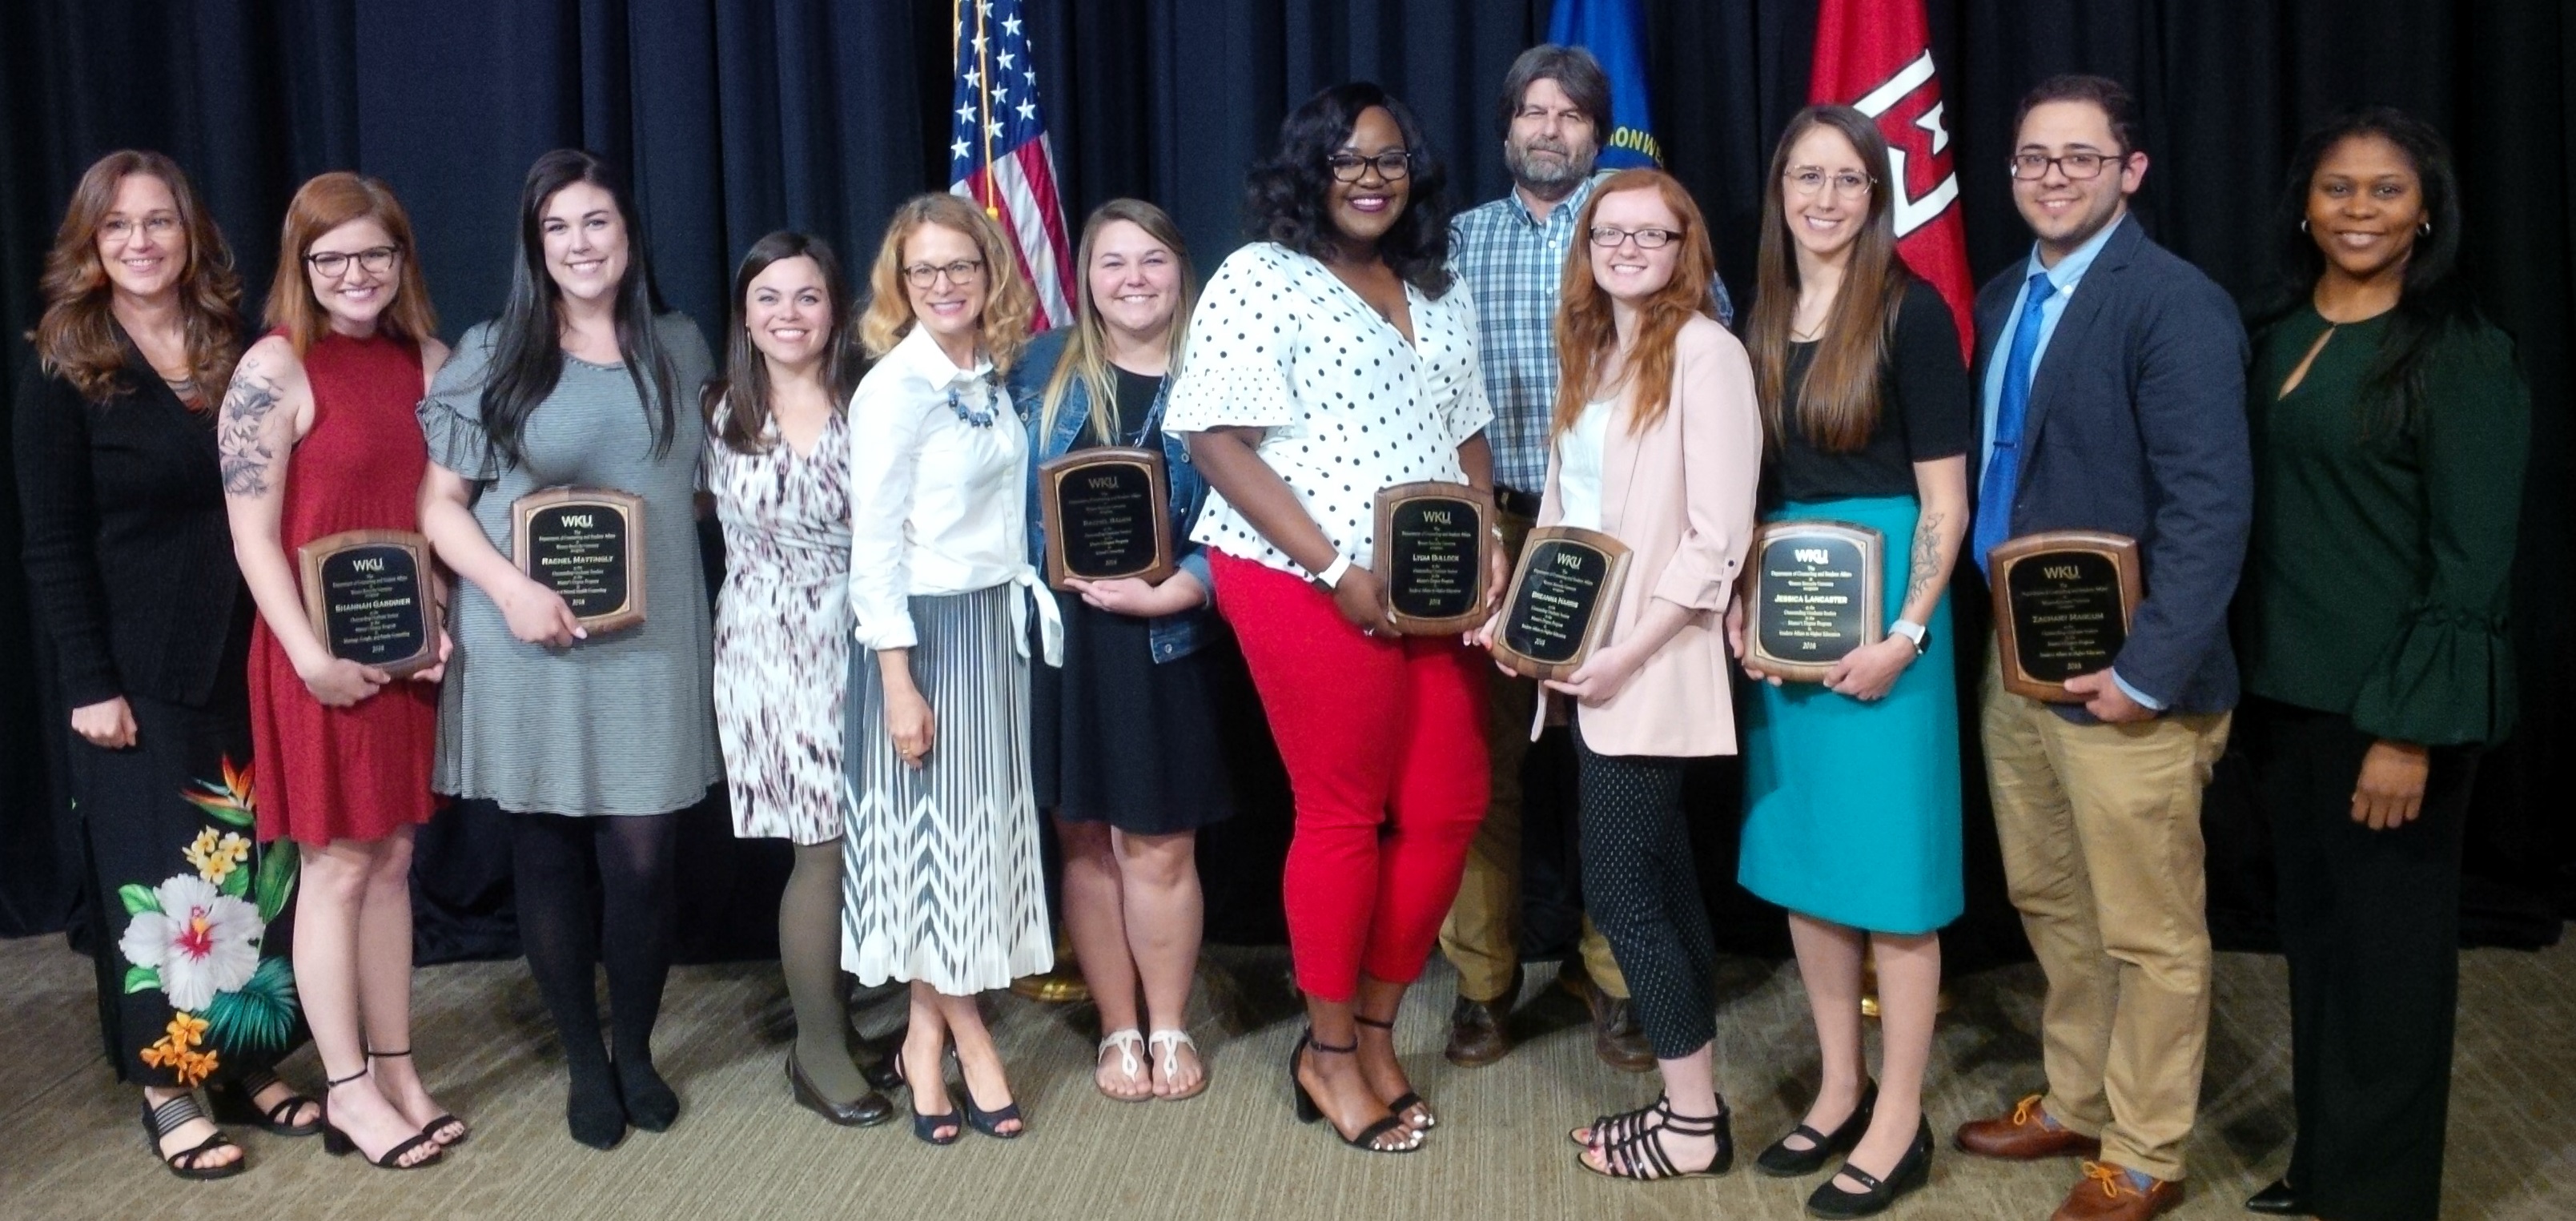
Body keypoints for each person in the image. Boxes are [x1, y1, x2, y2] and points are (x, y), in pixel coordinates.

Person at [1167, 81, 1499, 1156]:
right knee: (1344, 810)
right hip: (1297, 572)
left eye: (1389, 158)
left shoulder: (1435, 287)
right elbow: (1215, 437)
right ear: (1309, 169)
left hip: (1426, 585)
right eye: (1347, 158)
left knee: (1449, 803)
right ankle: (1324, 1049)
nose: (1369, 176)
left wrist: (1487, 539)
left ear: (1415, 174)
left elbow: (1467, 435)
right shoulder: (1263, 277)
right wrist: (1331, 565)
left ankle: (1371, 1024)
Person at [1949, 76, 2251, 1221]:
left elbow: (2211, 507)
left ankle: (2145, 1147)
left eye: (2079, 158)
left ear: (2131, 170)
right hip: (2020, 664)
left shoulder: (2172, 303)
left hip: (2131, 681)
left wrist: (2145, 673)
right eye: (2033, 159)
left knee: (2147, 927)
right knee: (2050, 897)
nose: (2051, 177)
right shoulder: (2005, 293)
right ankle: (2075, 1095)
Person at [2232, 109, 2527, 1221]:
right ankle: (2329, 1165)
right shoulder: (2269, 334)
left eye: (2386, 192)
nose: (2359, 210)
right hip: (2284, 701)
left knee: (2392, 969)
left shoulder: (2459, 354)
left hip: (2390, 712)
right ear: (2304, 208)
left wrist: (2407, 731)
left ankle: (2381, 1197)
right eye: (2338, 189)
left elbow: (2473, 564)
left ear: (2428, 213)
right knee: (2316, 949)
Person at [14, 150, 315, 1179]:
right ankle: (169, 1082)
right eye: (118, 227)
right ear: (91, 246)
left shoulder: (240, 346)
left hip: (250, 651)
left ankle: (251, 1058)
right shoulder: (65, 364)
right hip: (134, 673)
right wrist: (89, 682)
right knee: (162, 882)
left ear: (192, 236)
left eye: (160, 223)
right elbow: (50, 543)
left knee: (252, 862)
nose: (141, 242)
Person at [416, 149, 718, 1151]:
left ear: (627, 236)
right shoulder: (493, 350)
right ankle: (586, 1066)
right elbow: (440, 509)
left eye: (596, 223)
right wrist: (510, 589)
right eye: (558, 228)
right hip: (530, 645)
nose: (579, 245)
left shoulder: (682, 344)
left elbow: (707, 490)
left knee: (642, 864)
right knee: (545, 861)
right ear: (535, 246)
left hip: (653, 648)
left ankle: (635, 1049)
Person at [1495, 168, 1762, 1181]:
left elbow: (1715, 540)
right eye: (1610, 232)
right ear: (1588, 245)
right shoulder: (1597, 350)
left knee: (1620, 891)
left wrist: (1626, 656)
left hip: (1651, 663)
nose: (1628, 248)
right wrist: (1528, 628)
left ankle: (1691, 1124)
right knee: (1662, 882)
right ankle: (1692, 1102)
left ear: (1683, 246)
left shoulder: (1707, 353)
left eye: (1652, 235)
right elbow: (1570, 516)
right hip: (1589, 657)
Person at [1729, 106, 1969, 1215]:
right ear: (1780, 190)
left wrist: (1906, 635)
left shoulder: (1911, 313)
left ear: (1878, 196)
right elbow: (1749, 488)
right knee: (1811, 870)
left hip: (1889, 632)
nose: (1824, 200)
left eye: (1848, 181)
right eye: (1805, 178)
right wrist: (1741, 607)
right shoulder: (1760, 314)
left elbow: (1944, 505)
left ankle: (1899, 1117)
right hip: (1791, 617)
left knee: (1892, 884)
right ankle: (1836, 1089)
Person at [218, 172, 458, 1170]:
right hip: (313, 659)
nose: (354, 274)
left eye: (374, 253)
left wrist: (439, 616)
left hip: (404, 659)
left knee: (395, 859)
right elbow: (253, 537)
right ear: (302, 268)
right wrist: (312, 658)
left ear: (401, 260)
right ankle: (348, 1089)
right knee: (338, 865)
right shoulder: (274, 370)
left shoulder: (433, 361)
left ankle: (397, 1066)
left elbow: (437, 512)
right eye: (331, 258)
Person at [1439, 41, 1646, 1073]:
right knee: (1482, 772)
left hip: (1603, 534)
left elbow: (1703, 359)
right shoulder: (1454, 242)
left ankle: (1618, 980)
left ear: (1596, 131)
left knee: (1612, 764)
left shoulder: (1636, 225)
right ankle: (1482, 986)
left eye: (1569, 113)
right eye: (1532, 110)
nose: (1549, 128)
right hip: (1489, 526)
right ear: (1507, 126)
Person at [1008, 199, 1234, 1103]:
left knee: (1160, 844)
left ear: (1181, 270)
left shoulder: (1221, 377)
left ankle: (1170, 1022)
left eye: (1151, 259)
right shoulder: (1037, 369)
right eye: (1111, 262)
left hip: (1165, 640)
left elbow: (1262, 509)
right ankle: (1116, 1028)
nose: (1132, 278)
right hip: (1060, 641)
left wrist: (1186, 584)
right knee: (1084, 840)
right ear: (1084, 277)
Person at [843, 192, 1054, 1145]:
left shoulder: (988, 373)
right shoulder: (895, 388)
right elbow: (872, 549)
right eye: (922, 270)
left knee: (967, 849)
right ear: (901, 283)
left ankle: (923, 1033)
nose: (942, 284)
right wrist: (897, 678)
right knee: (931, 847)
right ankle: (967, 1036)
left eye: (958, 266)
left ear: (988, 272)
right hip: (921, 640)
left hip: (990, 628)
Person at [701, 231, 894, 1128]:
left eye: (807, 296)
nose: (788, 314)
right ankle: (815, 1053)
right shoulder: (715, 410)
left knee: (859, 846)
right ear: (744, 312)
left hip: (865, 638)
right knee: (818, 848)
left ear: (836, 308)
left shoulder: (872, 400)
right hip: (770, 652)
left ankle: (840, 1023)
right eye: (769, 296)